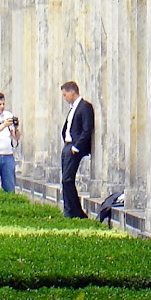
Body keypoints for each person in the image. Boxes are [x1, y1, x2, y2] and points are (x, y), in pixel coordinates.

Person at [58, 80, 94, 219]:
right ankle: (69, 210)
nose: (64, 97)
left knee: (67, 179)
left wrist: (76, 146)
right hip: (68, 145)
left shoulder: (85, 107)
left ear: (72, 92)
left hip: (74, 147)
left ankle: (76, 212)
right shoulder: (73, 108)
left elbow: (87, 129)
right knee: (65, 180)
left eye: (65, 94)